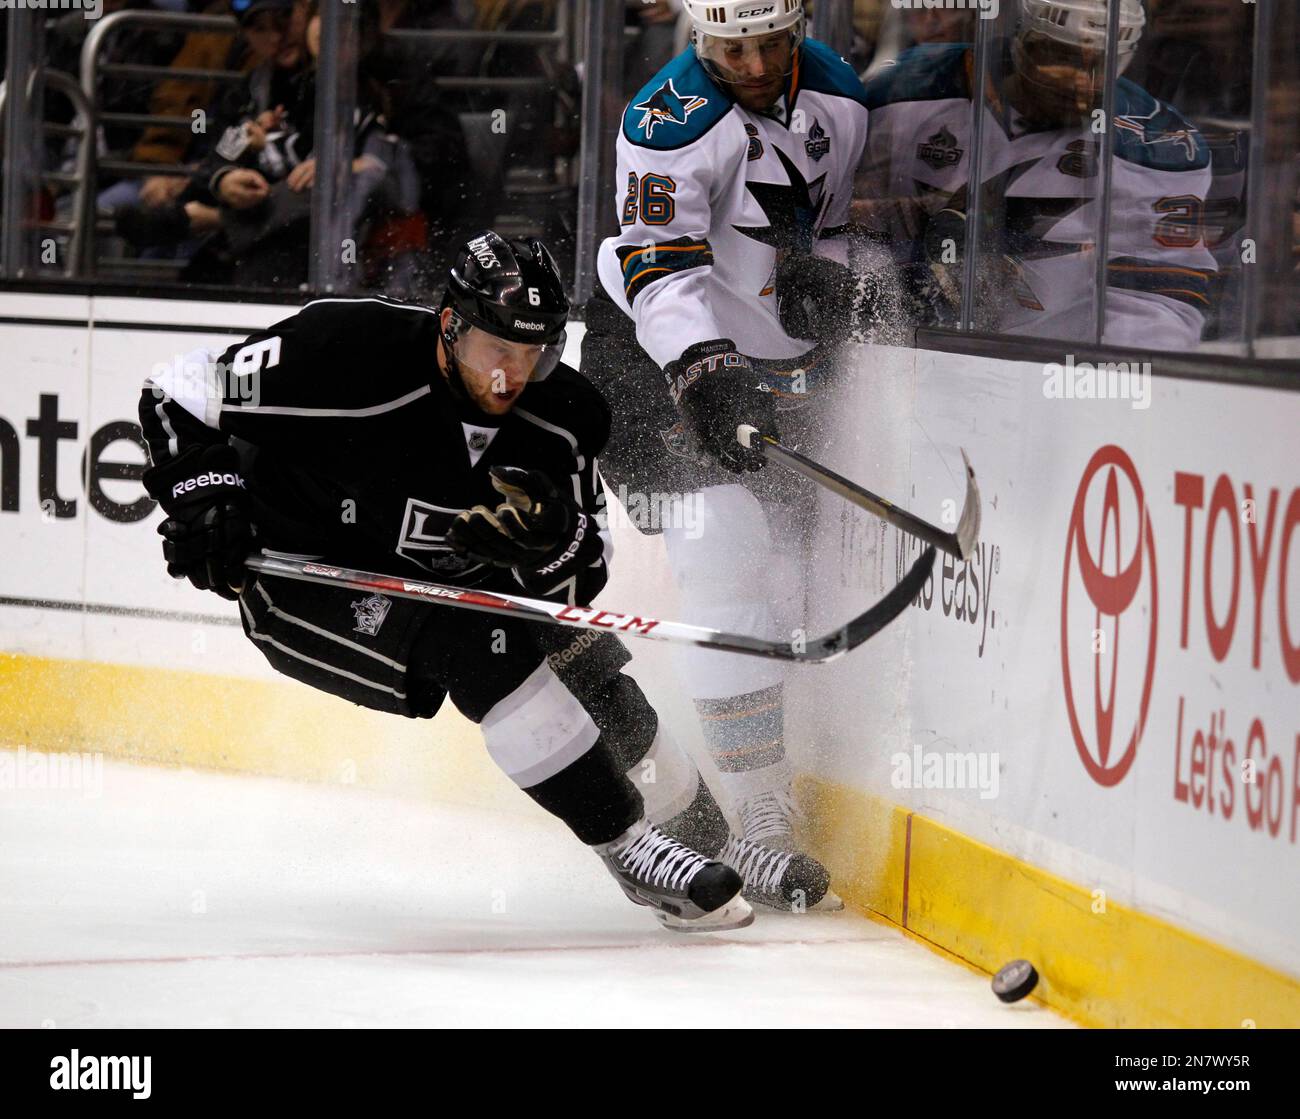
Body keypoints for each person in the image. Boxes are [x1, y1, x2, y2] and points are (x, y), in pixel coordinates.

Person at [137, 231, 833, 930]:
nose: (510, 374)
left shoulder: (562, 418)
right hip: (304, 576)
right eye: (496, 349)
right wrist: (208, 497)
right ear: (450, 326)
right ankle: (628, 845)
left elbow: (582, 578)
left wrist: (549, 544)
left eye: (533, 354)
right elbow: (174, 389)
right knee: (477, 638)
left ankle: (718, 846)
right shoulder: (348, 351)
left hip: (433, 576)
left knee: (585, 665)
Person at [581, 0, 870, 910]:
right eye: (727, 45)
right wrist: (706, 370)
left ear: (799, 28)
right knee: (724, 552)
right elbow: (660, 269)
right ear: (699, 36)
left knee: (784, 578)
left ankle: (736, 788)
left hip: (767, 361)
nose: (748, 61)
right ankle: (758, 817)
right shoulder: (664, 121)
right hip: (647, 358)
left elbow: (817, 221)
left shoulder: (838, 91)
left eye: (767, 42)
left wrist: (834, 274)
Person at [856, 0, 1218, 347]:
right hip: (908, 353)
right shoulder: (909, 89)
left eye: (1099, 63)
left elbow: (1157, 303)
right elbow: (846, 220)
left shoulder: (1154, 144)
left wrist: (1106, 395)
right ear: (1022, 39)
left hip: (1051, 372)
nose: (1079, 80)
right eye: (1059, 55)